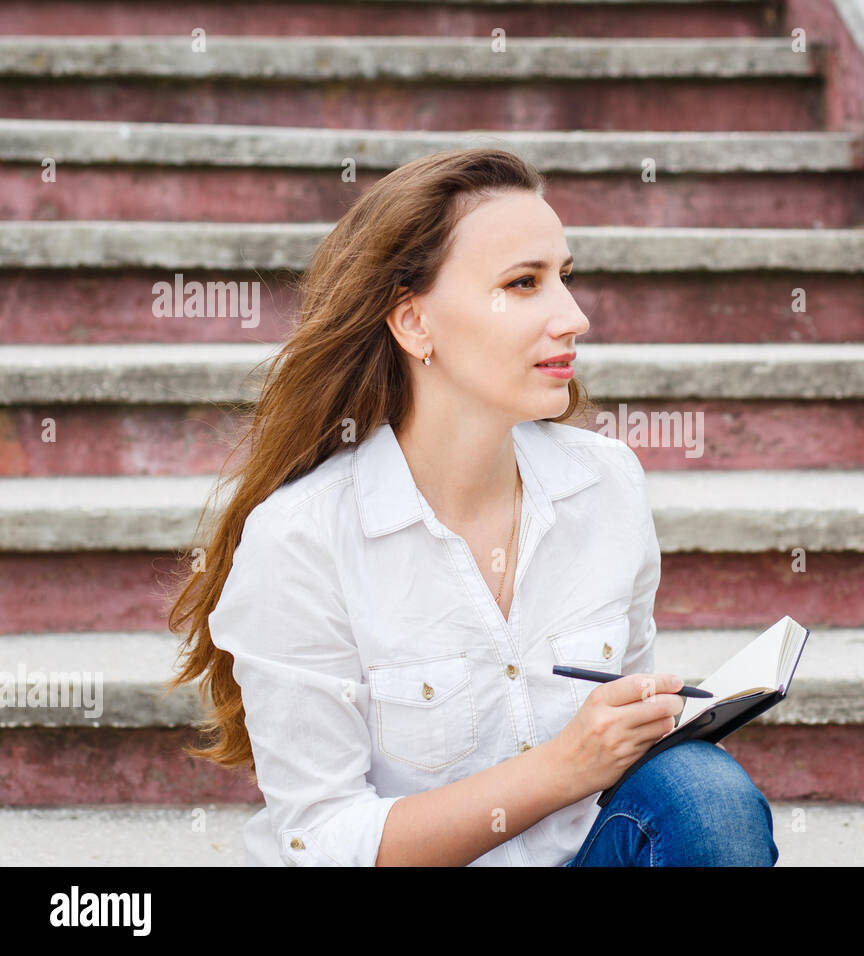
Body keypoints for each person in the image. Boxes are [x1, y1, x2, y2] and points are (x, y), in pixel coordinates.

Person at [165, 146, 779, 867]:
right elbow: (324, 841)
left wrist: (648, 725)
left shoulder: (607, 484)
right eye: (523, 284)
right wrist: (564, 767)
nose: (574, 317)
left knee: (701, 791)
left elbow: (631, 766)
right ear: (415, 324)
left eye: (565, 278)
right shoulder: (302, 539)